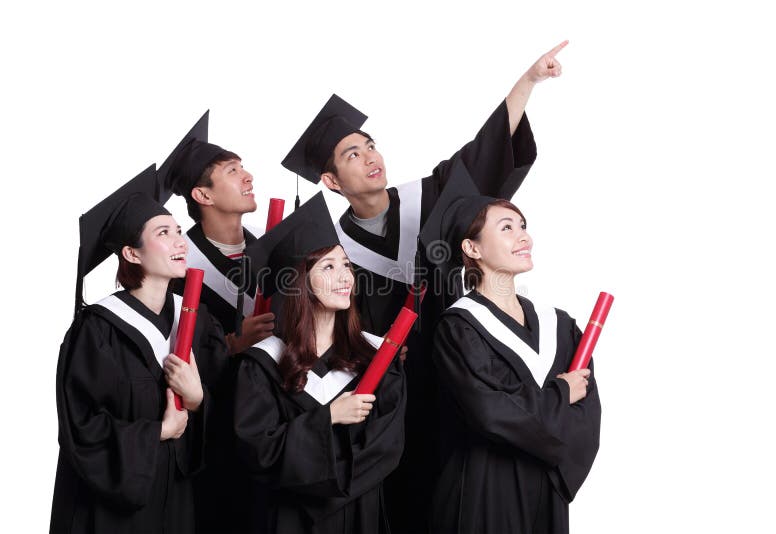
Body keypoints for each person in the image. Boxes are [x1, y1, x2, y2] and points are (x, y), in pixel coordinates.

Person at [281, 41, 568, 532]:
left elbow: (485, 156)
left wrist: (527, 83)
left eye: (370, 145)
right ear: (331, 181)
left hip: (464, 376)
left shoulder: (432, 198)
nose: (370, 156)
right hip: (393, 399)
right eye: (353, 153)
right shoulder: (335, 254)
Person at [419, 163, 601, 533]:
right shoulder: (458, 327)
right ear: (472, 248)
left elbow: (587, 413)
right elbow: (490, 412)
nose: (524, 237)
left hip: (546, 486)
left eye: (523, 227)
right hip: (483, 489)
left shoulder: (560, 325)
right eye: (507, 228)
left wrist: (551, 424)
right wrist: (560, 392)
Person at [51, 166, 230, 533]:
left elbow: (233, 417)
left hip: (181, 504)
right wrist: (158, 431)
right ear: (132, 253)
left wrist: (199, 401)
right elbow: (81, 428)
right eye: (164, 233)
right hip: (112, 515)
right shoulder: (98, 330)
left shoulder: (198, 324)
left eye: (179, 231)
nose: (181, 241)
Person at [234, 193, 406, 534]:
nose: (345, 276)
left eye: (346, 265)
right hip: (288, 520)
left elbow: (387, 447)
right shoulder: (262, 364)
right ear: (300, 282)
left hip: (360, 514)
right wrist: (327, 417)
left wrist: (327, 489)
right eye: (328, 266)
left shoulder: (377, 358)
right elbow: (258, 450)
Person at [158, 111, 274, 533]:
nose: (247, 177)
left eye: (243, 167)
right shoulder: (173, 262)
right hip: (206, 435)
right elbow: (160, 356)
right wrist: (230, 345)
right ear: (202, 195)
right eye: (232, 170)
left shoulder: (273, 252)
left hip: (266, 431)